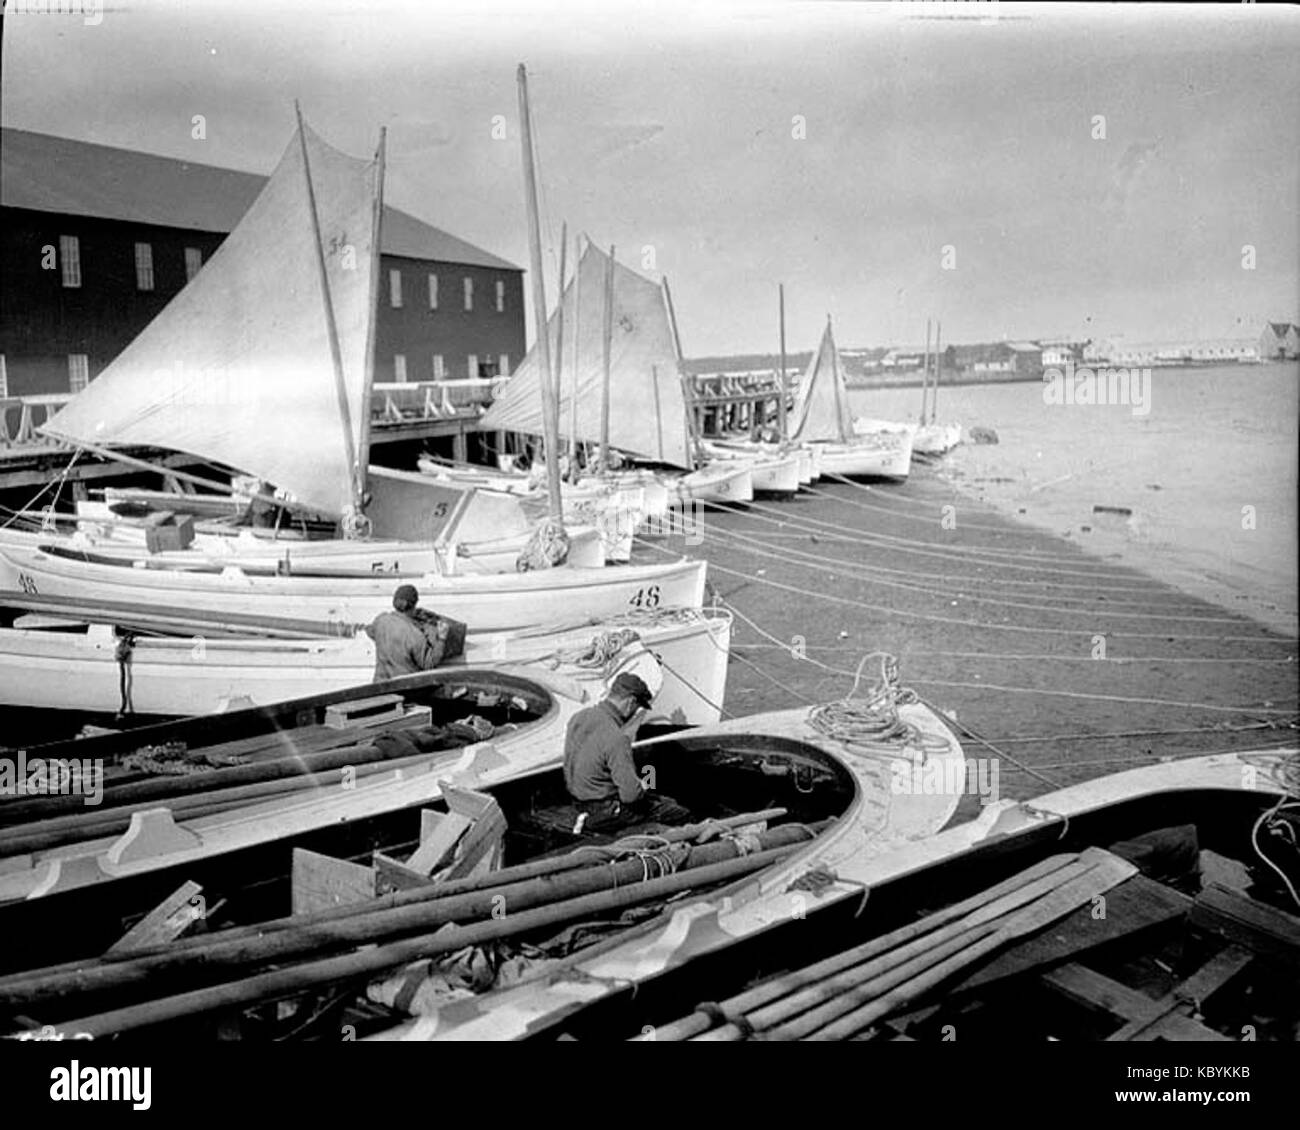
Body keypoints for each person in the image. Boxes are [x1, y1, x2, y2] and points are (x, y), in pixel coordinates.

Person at [562, 672, 690, 833]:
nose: (635, 713)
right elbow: (631, 795)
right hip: (606, 810)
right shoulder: (617, 737)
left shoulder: (578, 717)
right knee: (675, 811)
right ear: (631, 702)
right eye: (637, 707)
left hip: (578, 800)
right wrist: (643, 785)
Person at [365, 584, 450, 682]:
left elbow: (370, 631)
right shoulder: (415, 635)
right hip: (405, 688)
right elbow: (429, 663)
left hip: (380, 685)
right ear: (414, 605)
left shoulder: (380, 621)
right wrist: (442, 638)